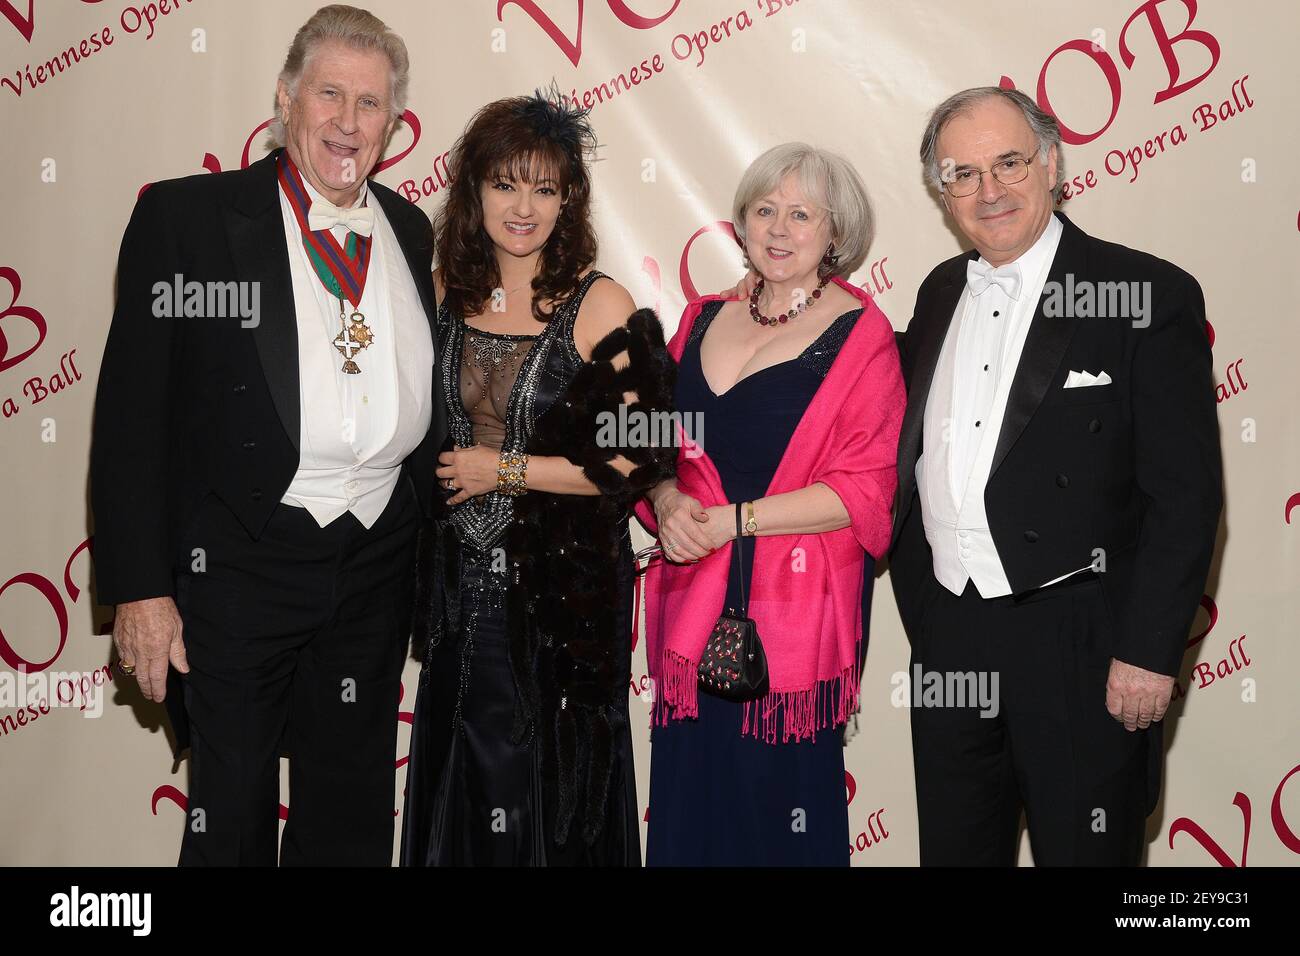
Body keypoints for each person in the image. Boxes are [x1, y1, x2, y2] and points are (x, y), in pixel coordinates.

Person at [90, 4, 444, 865]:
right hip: (240, 563)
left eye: (370, 105)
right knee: (231, 804)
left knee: (352, 806)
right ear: (286, 97)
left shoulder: (406, 227)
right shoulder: (188, 221)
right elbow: (132, 417)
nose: (347, 122)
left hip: (374, 564)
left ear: (392, 125)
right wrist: (140, 589)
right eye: (330, 94)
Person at [889, 86, 1222, 865]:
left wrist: (1146, 652)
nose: (989, 191)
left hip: (1081, 642)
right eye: (962, 174)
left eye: (1008, 163)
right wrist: (929, 620)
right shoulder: (939, 291)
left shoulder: (1145, 294)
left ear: (1052, 163)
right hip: (952, 635)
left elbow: (1186, 496)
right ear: (943, 193)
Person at [400, 90, 675, 866]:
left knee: (553, 788)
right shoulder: (441, 294)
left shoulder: (598, 303)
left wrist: (505, 469)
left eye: (545, 188)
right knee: (463, 780)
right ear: (474, 190)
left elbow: (638, 460)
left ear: (569, 200)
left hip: (563, 601)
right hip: (458, 594)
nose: (524, 207)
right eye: (506, 184)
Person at [637, 143, 905, 866]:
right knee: (692, 809)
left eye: (801, 214)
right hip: (693, 615)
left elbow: (866, 490)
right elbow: (649, 440)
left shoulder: (862, 336)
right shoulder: (696, 318)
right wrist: (663, 499)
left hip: (789, 626)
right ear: (742, 222)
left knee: (775, 819)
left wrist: (734, 523)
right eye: (765, 211)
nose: (779, 230)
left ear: (835, 235)